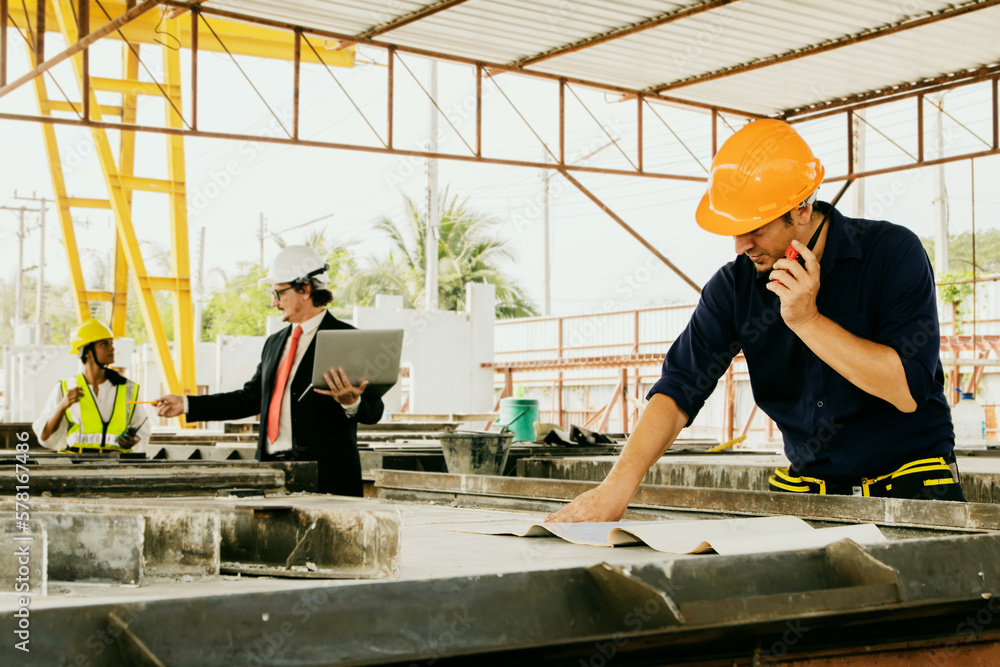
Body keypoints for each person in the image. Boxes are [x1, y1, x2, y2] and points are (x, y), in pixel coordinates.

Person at [549, 119, 963, 522]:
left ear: (802, 209)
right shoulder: (734, 288)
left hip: (914, 493)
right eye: (734, 229)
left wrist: (808, 321)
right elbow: (678, 389)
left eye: (755, 228)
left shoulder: (891, 254)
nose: (740, 244)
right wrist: (616, 488)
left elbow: (907, 390)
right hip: (813, 499)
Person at [155, 245, 384, 496]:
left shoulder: (347, 339)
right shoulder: (274, 343)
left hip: (327, 478)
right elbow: (249, 399)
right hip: (271, 473)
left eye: (278, 293)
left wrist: (351, 402)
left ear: (305, 289)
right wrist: (187, 404)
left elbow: (374, 410)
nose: (274, 302)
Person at [33, 320, 150, 453]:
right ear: (87, 351)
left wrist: (134, 440)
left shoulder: (127, 388)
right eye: (104, 344)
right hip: (76, 462)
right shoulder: (66, 388)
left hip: (117, 462)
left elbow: (143, 431)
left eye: (111, 343)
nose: (111, 348)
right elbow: (45, 436)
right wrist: (63, 405)